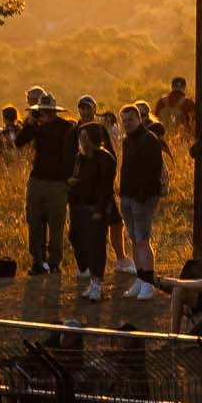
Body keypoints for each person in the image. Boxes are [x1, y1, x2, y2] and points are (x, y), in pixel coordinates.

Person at [18, 87, 76, 278]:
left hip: (58, 182)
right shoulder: (36, 126)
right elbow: (19, 142)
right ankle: (37, 260)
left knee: (56, 223)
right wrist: (32, 125)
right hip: (37, 179)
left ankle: (54, 262)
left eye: (47, 111)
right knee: (34, 221)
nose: (45, 114)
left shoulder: (66, 127)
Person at [70, 121, 123, 300]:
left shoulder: (105, 158)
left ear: (93, 138)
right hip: (79, 207)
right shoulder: (80, 157)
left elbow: (105, 187)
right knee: (78, 241)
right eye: (80, 137)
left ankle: (96, 284)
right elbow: (77, 177)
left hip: (96, 208)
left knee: (96, 246)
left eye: (85, 138)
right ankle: (91, 279)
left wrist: (100, 210)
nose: (82, 141)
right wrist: (73, 183)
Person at [122, 101, 172, 288]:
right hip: (127, 196)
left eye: (130, 119)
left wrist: (141, 195)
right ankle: (140, 276)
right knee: (134, 239)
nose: (127, 123)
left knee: (143, 240)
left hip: (143, 197)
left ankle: (148, 282)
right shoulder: (127, 141)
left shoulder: (149, 139)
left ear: (139, 119)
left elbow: (153, 170)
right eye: (124, 120)